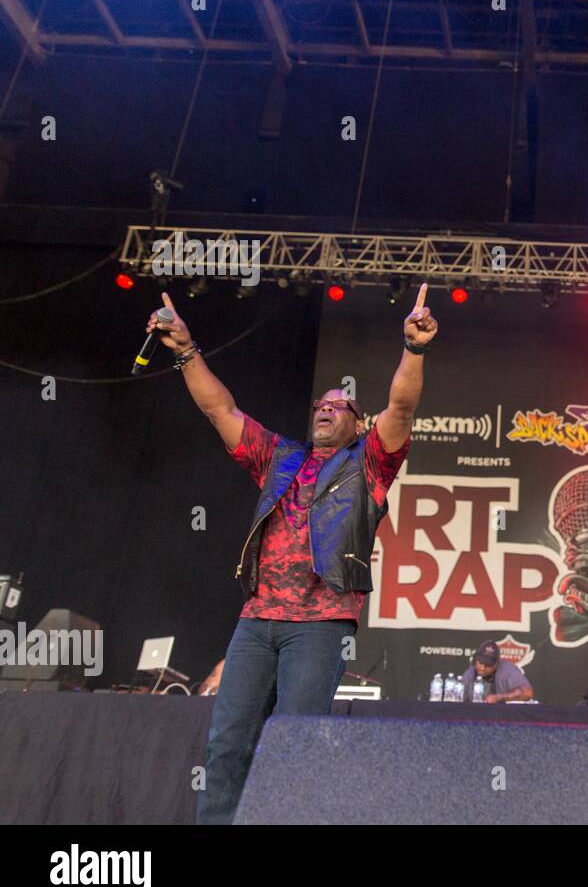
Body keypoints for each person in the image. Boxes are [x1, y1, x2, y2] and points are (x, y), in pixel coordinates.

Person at [146, 282, 439, 823]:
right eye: (319, 405)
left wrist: (413, 348)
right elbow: (220, 408)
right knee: (226, 744)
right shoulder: (279, 458)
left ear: (358, 422)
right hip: (257, 619)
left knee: (295, 746)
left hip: (321, 623)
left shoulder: (371, 463)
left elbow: (401, 403)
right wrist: (186, 349)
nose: (325, 410)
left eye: (339, 405)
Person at [460, 640, 533, 703]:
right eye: (481, 662)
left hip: (502, 716)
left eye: (488, 664)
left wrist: (499, 698)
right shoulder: (469, 674)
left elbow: (527, 693)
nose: (482, 668)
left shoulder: (506, 669)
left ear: (497, 663)